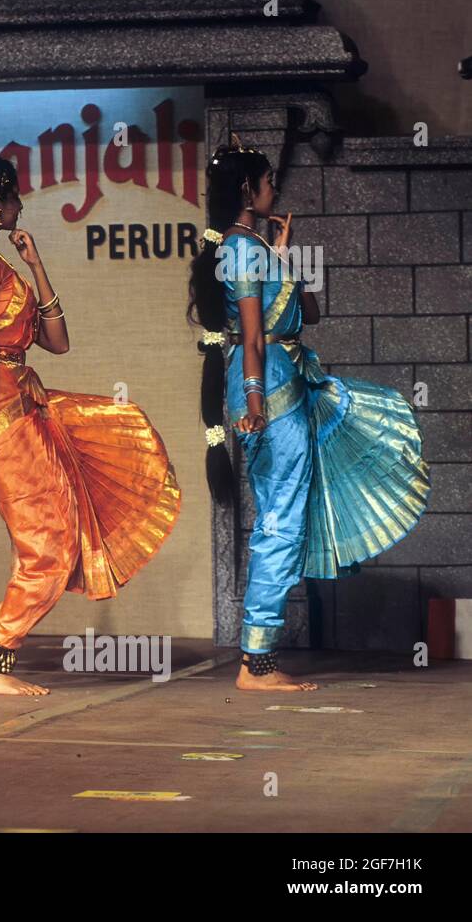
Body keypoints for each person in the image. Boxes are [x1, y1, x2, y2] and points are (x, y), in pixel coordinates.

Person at [0, 154, 180, 696]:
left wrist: (37, 266)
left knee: (59, 540)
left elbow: (58, 342)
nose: (21, 203)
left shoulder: (1, 264)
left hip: (26, 411)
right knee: (49, 550)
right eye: (13, 195)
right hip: (0, 421)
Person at [188, 135, 429, 692]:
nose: (277, 190)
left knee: (286, 514)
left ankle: (258, 657)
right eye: (270, 182)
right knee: (281, 519)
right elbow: (251, 337)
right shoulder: (240, 250)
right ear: (249, 190)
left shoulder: (254, 247)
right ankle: (257, 662)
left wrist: (284, 256)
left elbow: (310, 313)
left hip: (283, 377)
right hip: (267, 385)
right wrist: (252, 405)